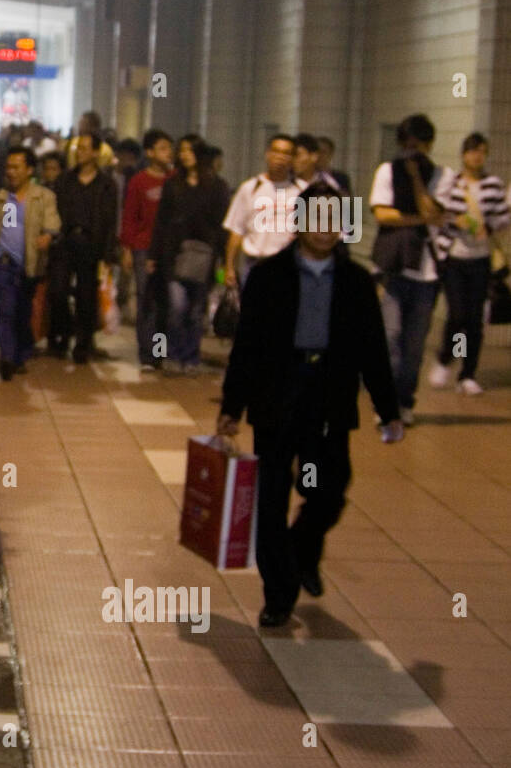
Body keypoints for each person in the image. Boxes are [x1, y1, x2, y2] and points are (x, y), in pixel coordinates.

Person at [218, 181, 403, 628]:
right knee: (272, 495)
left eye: (334, 220)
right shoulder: (268, 276)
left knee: (329, 489)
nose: (324, 229)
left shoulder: (357, 283)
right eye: (316, 218)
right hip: (277, 395)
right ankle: (278, 594)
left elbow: (373, 350)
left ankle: (302, 549)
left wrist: (388, 410)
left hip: (329, 395)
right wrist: (231, 406)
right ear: (299, 223)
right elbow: (247, 346)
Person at [369, 113, 455, 425]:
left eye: (417, 145)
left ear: (429, 145)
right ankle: (386, 403)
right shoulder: (386, 172)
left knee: (414, 346)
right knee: (390, 338)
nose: (411, 151)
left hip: (428, 273)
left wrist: (417, 178)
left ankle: (405, 401)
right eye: (406, 144)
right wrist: (421, 219)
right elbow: (382, 214)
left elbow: (435, 210)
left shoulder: (443, 175)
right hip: (394, 269)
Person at [430, 131, 510, 394]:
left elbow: (501, 219)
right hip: (453, 258)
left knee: (475, 319)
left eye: (482, 151)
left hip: (481, 259)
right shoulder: (450, 184)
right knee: (457, 315)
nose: (478, 156)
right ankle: (445, 358)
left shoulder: (493, 185)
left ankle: (467, 374)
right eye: (474, 150)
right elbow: (438, 215)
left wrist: (488, 225)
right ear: (464, 154)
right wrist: (457, 220)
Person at [148, 137, 231, 374]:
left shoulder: (217, 186)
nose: (184, 155)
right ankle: (172, 354)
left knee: (195, 311)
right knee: (176, 307)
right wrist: (154, 255)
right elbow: (161, 222)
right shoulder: (173, 184)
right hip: (174, 255)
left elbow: (222, 225)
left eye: (189, 150)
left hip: (205, 256)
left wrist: (224, 261)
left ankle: (190, 356)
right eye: (181, 150)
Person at [0, 146, 61, 380]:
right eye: (8, 167)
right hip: (2, 263)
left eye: (16, 167)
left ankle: (20, 354)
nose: (11, 172)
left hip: (29, 265)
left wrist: (48, 235)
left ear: (29, 170)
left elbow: (53, 223)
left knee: (23, 312)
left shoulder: (43, 197)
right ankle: (6, 356)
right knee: (5, 310)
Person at [54, 131, 120, 363]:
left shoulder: (107, 185)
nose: (79, 152)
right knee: (59, 291)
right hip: (65, 242)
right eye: (77, 148)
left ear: (95, 152)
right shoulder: (64, 180)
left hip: (91, 244)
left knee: (86, 296)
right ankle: (65, 331)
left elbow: (111, 221)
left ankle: (82, 343)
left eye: (84, 148)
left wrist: (109, 253)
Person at [121, 129, 175, 371]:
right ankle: (147, 355)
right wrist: (126, 249)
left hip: (169, 251)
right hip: (143, 248)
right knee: (147, 301)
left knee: (167, 302)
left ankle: (160, 352)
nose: (168, 153)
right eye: (163, 148)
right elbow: (130, 217)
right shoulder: (139, 182)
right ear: (150, 152)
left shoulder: (175, 179)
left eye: (169, 148)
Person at [223, 133, 306, 289]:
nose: (280, 157)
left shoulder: (302, 190)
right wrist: (229, 267)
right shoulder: (250, 188)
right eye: (276, 151)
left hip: (289, 266)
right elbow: (236, 230)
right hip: (256, 264)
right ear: (267, 154)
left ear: (293, 159)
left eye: (286, 153)